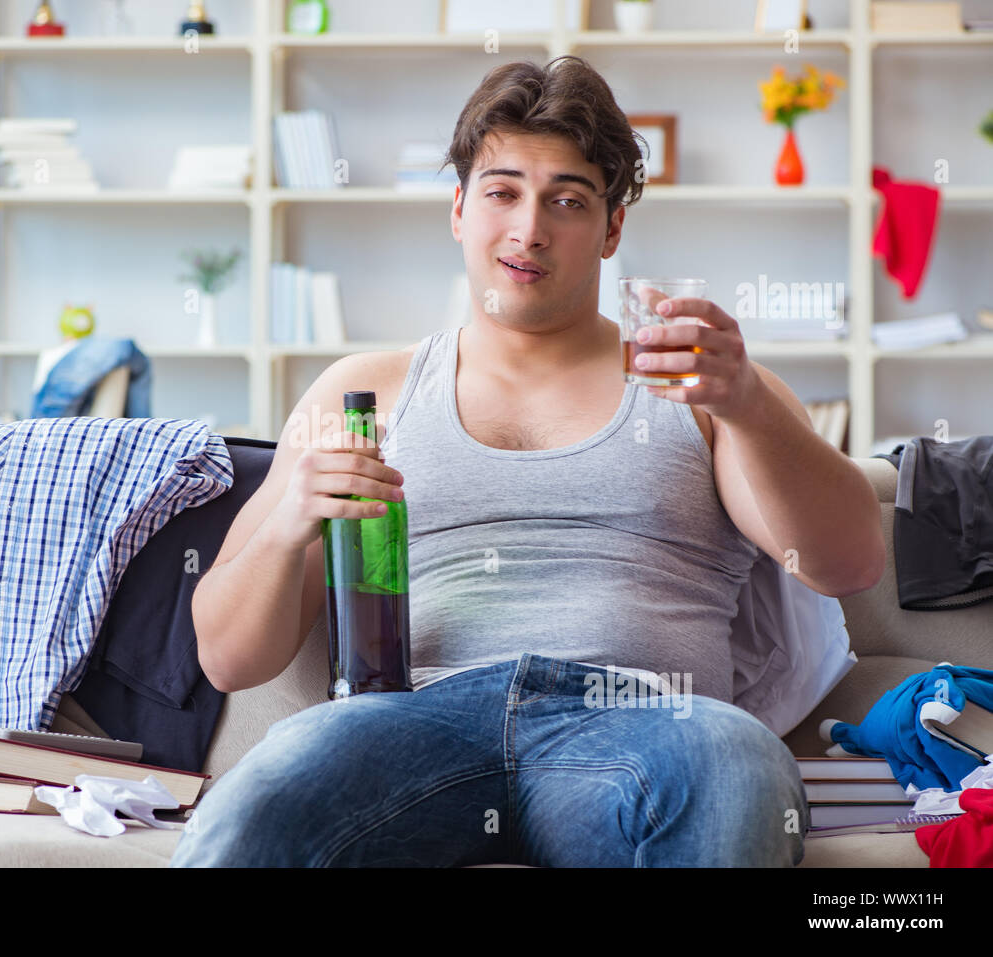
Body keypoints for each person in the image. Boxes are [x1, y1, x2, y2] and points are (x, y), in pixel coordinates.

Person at [170, 55, 886, 867]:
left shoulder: (708, 386)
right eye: (502, 191)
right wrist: (286, 528)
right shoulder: (361, 392)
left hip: (644, 722)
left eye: (568, 200)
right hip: (408, 724)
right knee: (255, 803)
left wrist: (748, 401)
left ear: (613, 228)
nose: (529, 228)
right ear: (458, 209)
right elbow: (229, 658)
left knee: (737, 768)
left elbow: (852, 561)